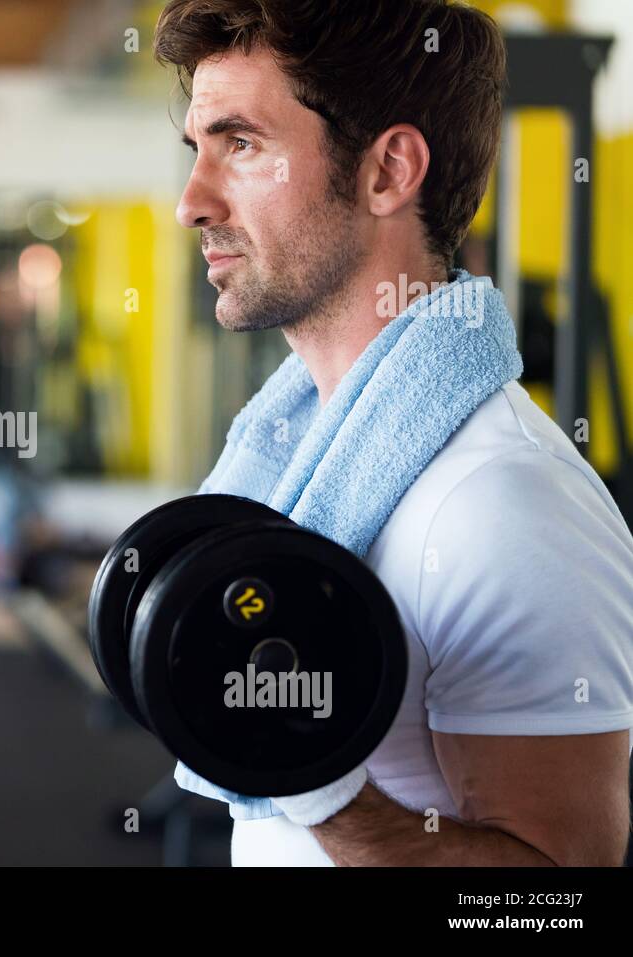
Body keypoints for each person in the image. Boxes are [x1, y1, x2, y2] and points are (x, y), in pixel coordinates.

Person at [156, 0, 633, 866]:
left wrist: (319, 780)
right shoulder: (298, 462)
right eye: (199, 150)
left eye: (243, 144)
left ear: (387, 172)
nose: (192, 202)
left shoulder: (502, 503)